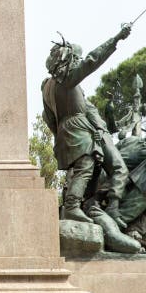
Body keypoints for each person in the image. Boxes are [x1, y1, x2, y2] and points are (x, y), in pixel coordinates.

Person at [42, 24, 132, 227]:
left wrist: (61, 136)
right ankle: (73, 206)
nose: (79, 62)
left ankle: (93, 206)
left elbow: (48, 118)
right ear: (69, 58)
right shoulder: (67, 79)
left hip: (67, 131)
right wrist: (116, 38)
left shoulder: (47, 86)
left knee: (91, 169)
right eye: (77, 59)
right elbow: (93, 60)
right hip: (77, 130)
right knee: (86, 166)